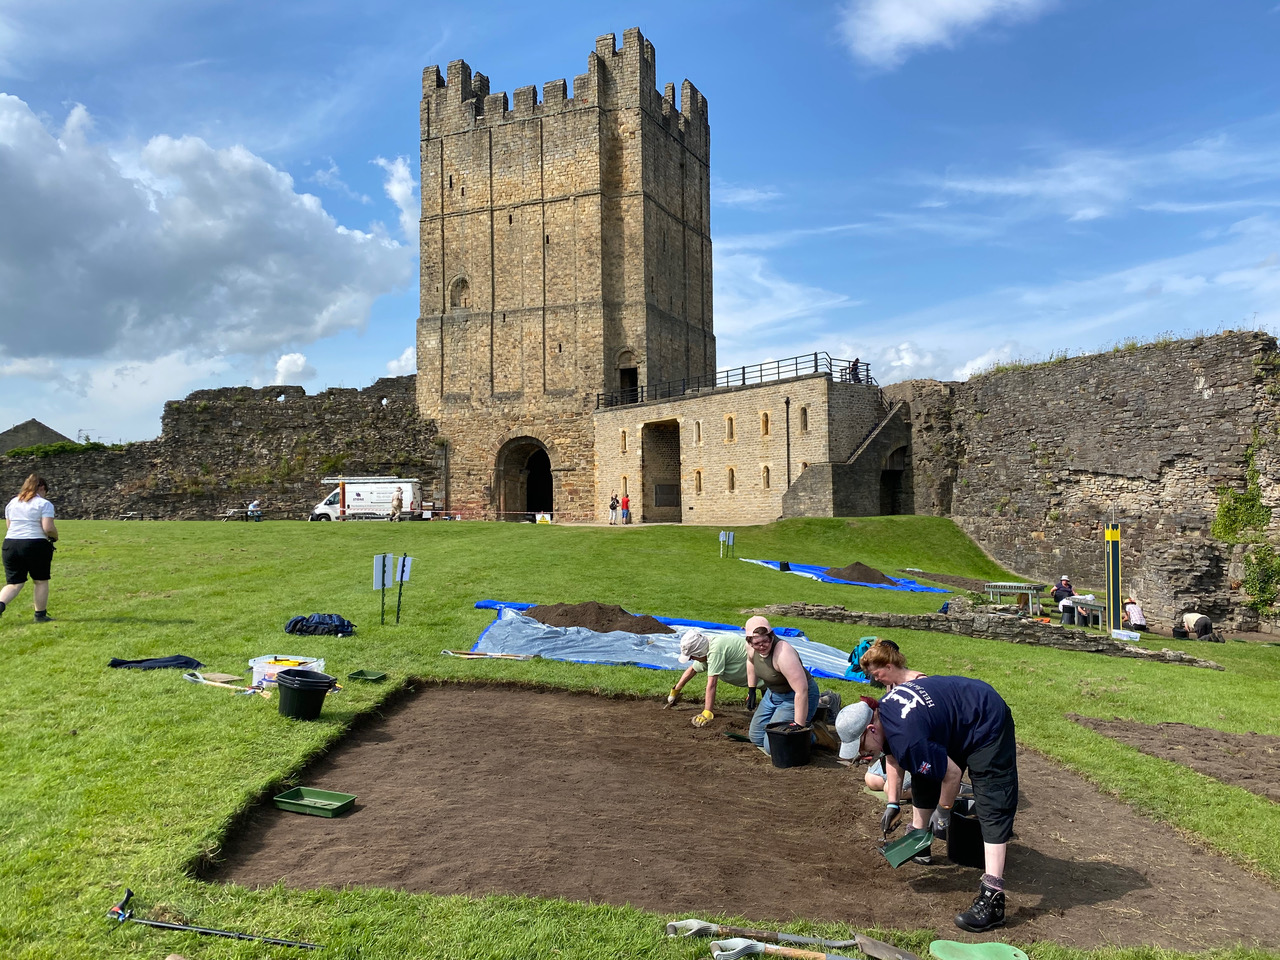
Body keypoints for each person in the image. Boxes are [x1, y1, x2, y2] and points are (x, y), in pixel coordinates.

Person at [862, 675, 1018, 933]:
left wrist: (943, 811)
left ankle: (993, 898)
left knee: (992, 801)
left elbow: (952, 775)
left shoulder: (908, 736)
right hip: (953, 720)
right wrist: (893, 803)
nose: (863, 755)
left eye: (862, 749)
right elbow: (894, 756)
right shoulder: (883, 716)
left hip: (985, 718)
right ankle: (919, 842)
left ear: (871, 729)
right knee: (923, 768)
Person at [744, 615, 819, 755]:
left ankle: (814, 736)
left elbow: (801, 690)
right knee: (756, 737)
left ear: (771, 636)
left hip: (795, 696)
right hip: (772, 694)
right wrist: (752, 689)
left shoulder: (783, 654)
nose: (761, 646)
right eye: (757, 643)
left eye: (765, 641)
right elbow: (750, 662)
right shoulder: (750, 647)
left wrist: (799, 726)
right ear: (749, 642)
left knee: (772, 747)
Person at [667, 630, 759, 727]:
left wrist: (707, 712)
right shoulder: (709, 648)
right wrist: (675, 691)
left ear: (699, 653)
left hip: (763, 676)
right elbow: (692, 670)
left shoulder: (715, 651)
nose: (692, 659)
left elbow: (712, 684)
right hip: (757, 677)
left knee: (766, 716)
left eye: (692, 657)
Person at [1, 474, 59, 623]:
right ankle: (40, 615)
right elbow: (47, 528)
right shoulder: (44, 504)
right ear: (41, 487)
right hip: (35, 544)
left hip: (11, 544)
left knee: (14, 583)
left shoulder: (12, 503)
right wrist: (55, 536)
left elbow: (9, 526)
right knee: (40, 581)